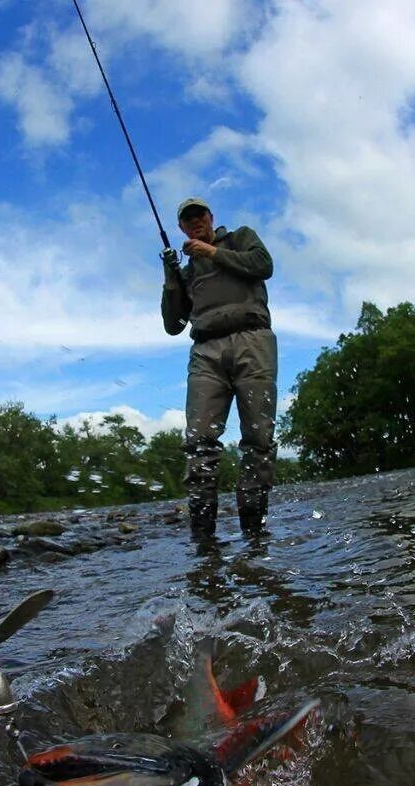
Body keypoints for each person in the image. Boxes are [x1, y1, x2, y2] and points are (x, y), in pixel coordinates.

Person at [160, 197, 278, 543]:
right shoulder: (186, 271)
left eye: (200, 215)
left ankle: (254, 532)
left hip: (253, 341)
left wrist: (211, 254)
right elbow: (173, 324)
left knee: (258, 436)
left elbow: (263, 264)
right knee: (199, 442)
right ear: (181, 227)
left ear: (211, 218)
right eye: (187, 219)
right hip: (205, 350)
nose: (195, 221)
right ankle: (203, 539)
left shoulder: (240, 237)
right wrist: (171, 277)